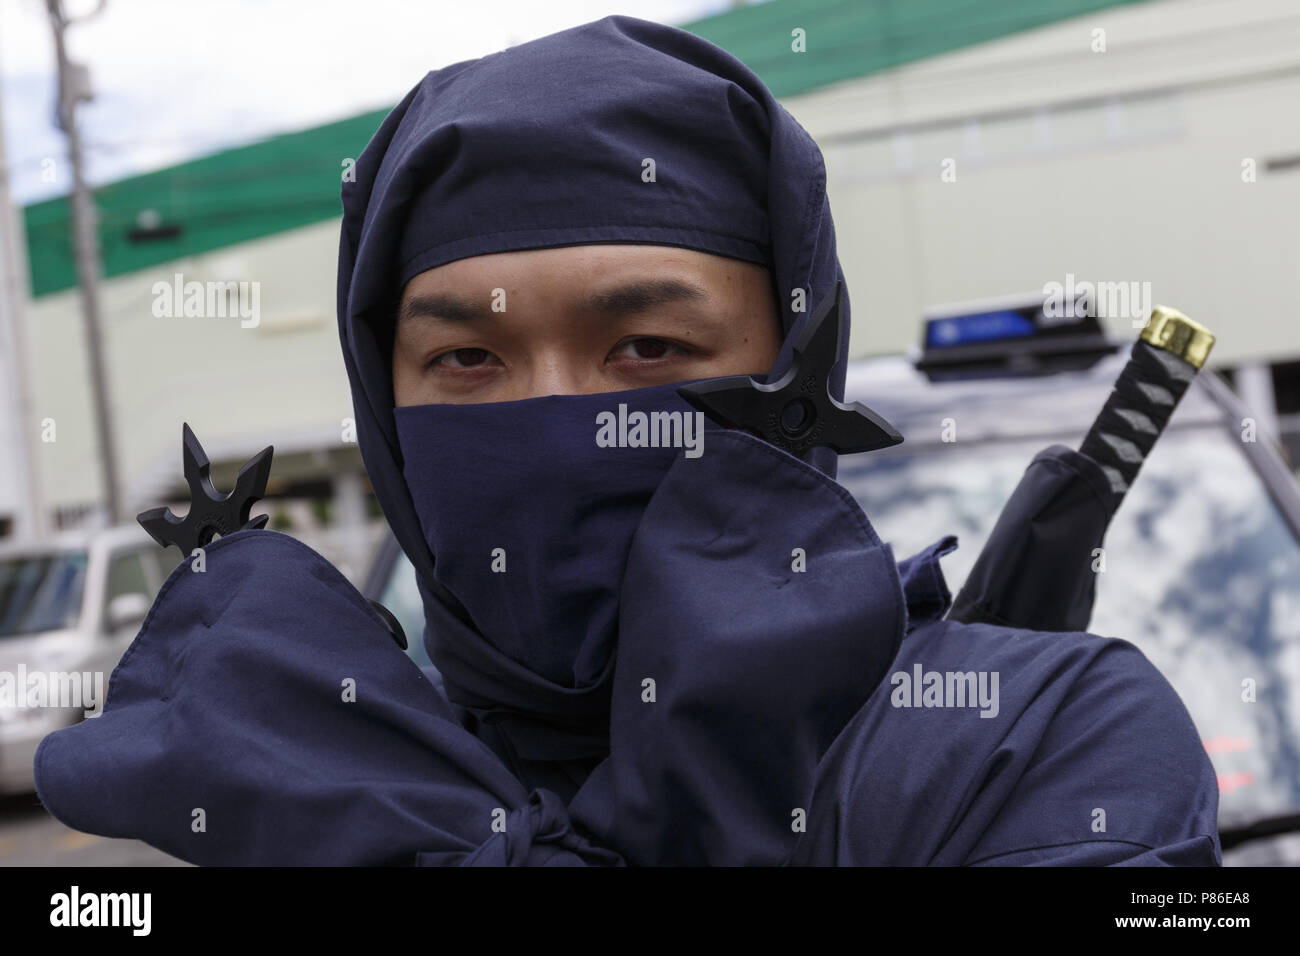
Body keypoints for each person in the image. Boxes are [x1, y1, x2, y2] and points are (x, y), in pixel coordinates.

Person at [34, 15, 1220, 866]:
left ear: (796, 361)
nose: (551, 418)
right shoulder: (274, 775)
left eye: (647, 347)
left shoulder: (1036, 744)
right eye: (467, 359)